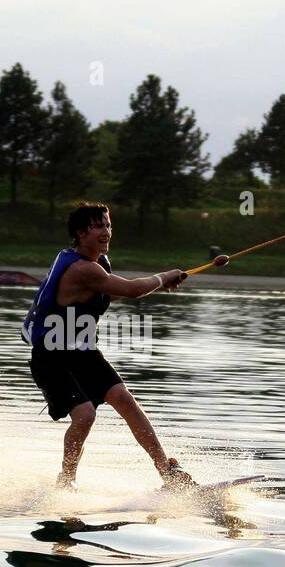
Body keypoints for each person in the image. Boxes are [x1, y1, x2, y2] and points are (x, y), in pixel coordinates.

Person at [22, 202, 195, 491]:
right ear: (80, 233)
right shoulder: (80, 268)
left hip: (82, 351)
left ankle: (167, 472)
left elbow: (109, 294)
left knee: (124, 400)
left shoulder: (97, 266)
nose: (107, 231)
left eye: (108, 225)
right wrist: (162, 277)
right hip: (51, 356)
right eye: (98, 226)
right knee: (85, 414)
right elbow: (132, 290)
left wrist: (157, 285)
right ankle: (65, 482)